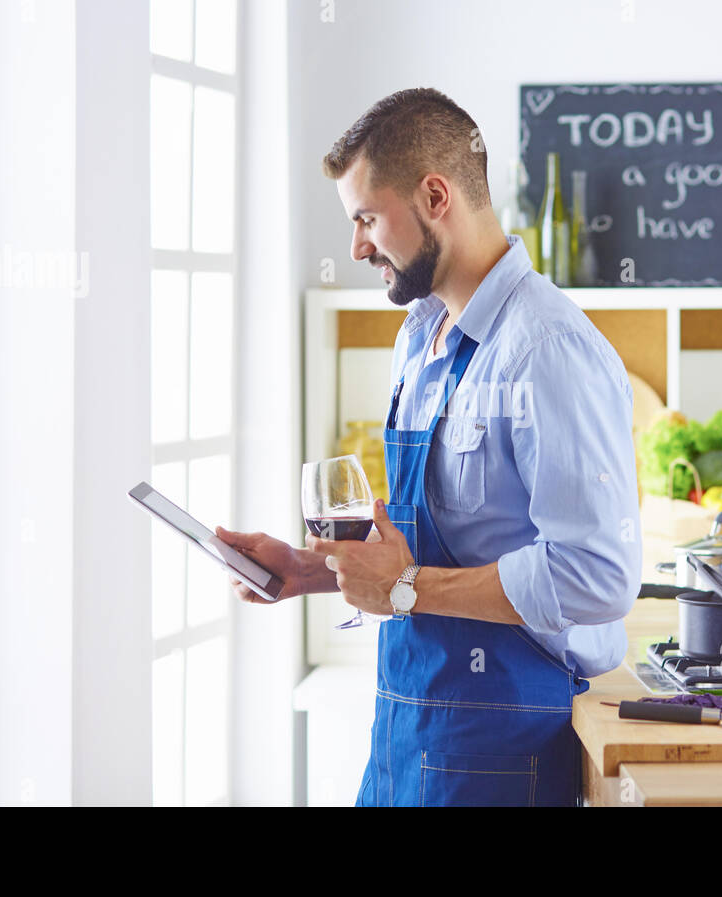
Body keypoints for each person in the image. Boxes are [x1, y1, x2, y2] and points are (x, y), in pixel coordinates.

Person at [216, 87, 640, 807]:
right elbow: (436, 550)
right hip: (402, 735)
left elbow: (598, 575)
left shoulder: (546, 348)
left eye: (366, 219)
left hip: (501, 748)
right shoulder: (418, 336)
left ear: (435, 196)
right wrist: (313, 570)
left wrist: (407, 588)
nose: (355, 247)